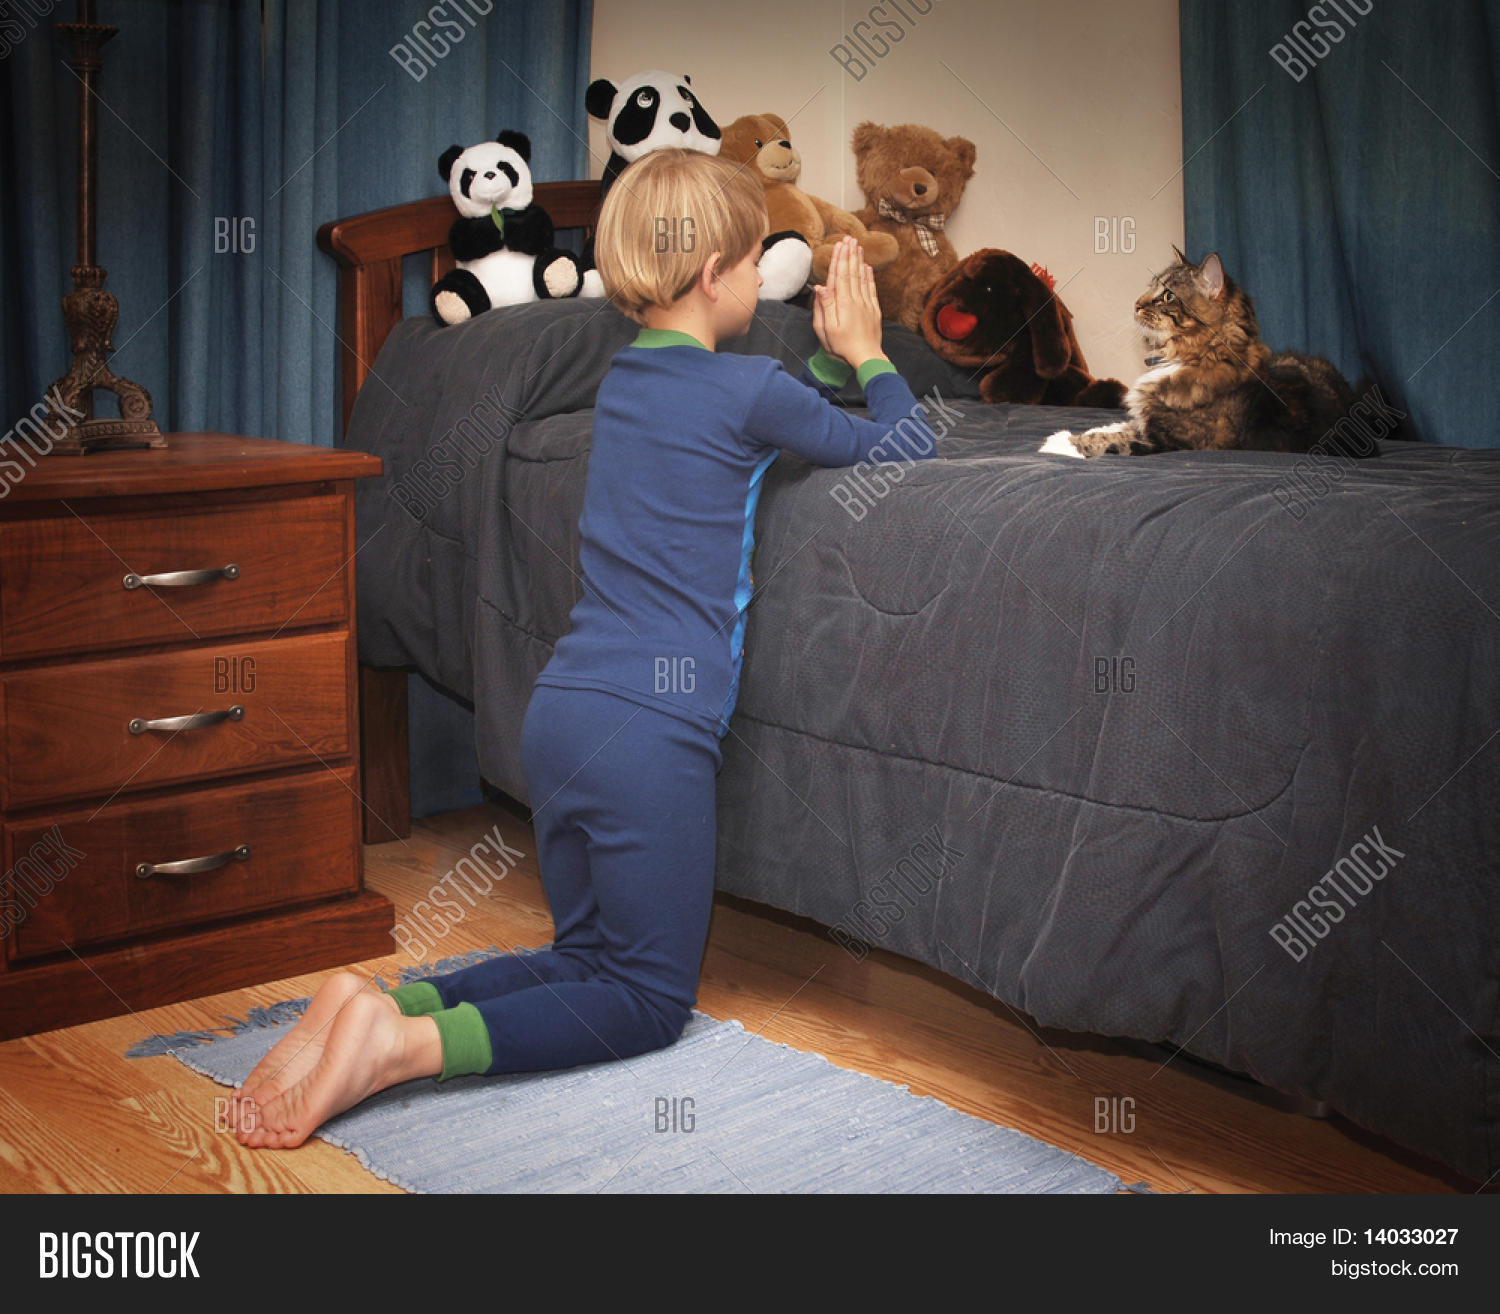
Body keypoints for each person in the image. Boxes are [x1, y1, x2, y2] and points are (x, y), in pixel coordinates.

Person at [232, 148, 939, 1149]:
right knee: (646, 998)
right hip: (652, 737)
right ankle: (404, 1052)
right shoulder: (747, 388)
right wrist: (869, 351)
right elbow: (900, 448)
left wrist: (820, 364)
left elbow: (781, 418)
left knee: (587, 954)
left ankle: (389, 1009)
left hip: (561, 714)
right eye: (751, 267)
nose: (757, 285)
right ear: (714, 275)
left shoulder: (628, 383)